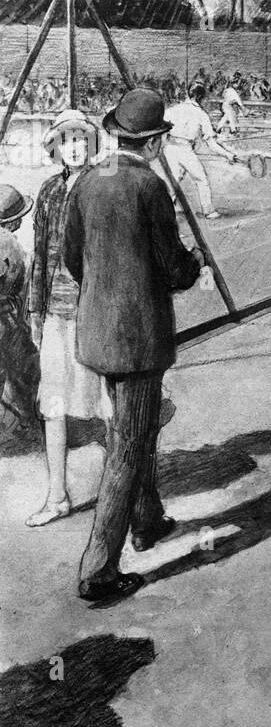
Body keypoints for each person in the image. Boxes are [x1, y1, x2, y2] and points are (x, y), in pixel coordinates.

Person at [63, 88, 203, 606]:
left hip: (97, 330)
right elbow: (173, 265)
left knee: (130, 428)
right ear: (154, 141)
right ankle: (99, 569)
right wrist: (194, 268)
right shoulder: (149, 186)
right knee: (126, 445)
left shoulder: (87, 181)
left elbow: (72, 259)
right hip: (139, 338)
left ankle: (147, 521)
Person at [26, 110, 112, 526]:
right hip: (57, 317)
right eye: (67, 140)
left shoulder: (104, 186)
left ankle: (124, 500)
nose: (75, 147)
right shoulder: (47, 193)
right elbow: (40, 256)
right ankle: (57, 495)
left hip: (96, 315)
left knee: (108, 407)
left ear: (92, 144)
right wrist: (35, 310)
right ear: (56, 147)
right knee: (54, 405)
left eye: (82, 139)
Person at [163, 82, 240, 220]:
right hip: (185, 150)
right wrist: (228, 154)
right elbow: (211, 143)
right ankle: (209, 211)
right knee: (201, 179)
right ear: (200, 97)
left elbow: (160, 128)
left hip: (169, 149)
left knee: (173, 180)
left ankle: (162, 210)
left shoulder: (173, 109)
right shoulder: (201, 114)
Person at [0, 184, 40, 433]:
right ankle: (27, 419)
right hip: (6, 319)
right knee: (23, 368)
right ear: (14, 221)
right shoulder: (11, 246)